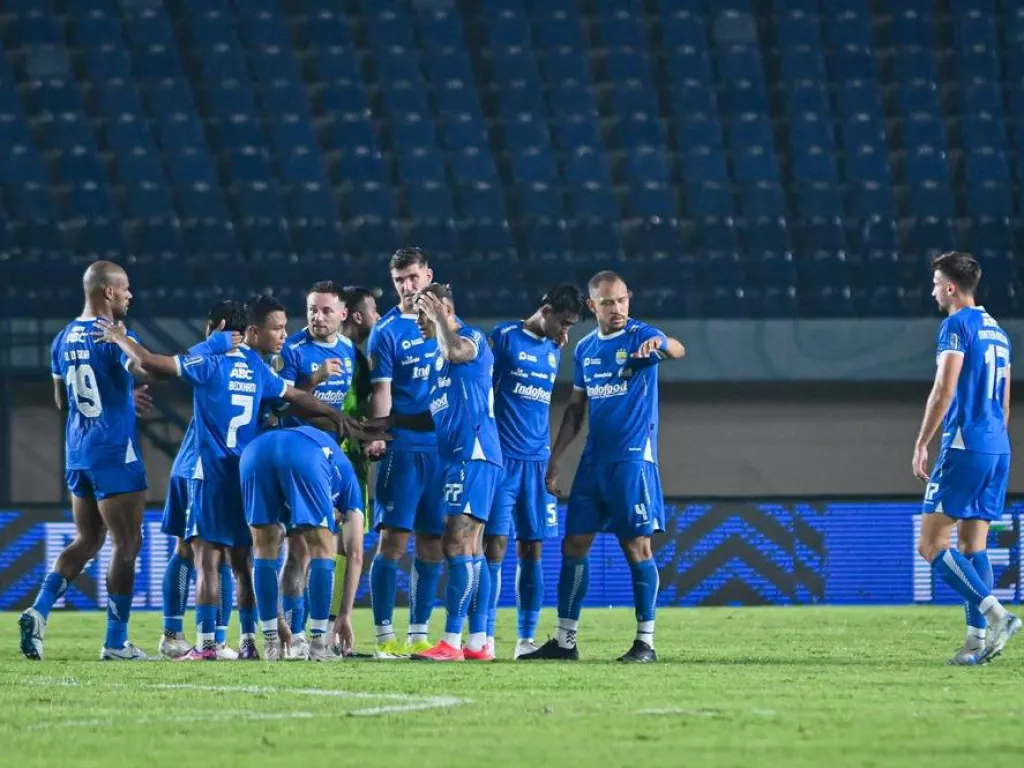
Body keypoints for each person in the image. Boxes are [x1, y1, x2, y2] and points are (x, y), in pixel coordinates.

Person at [92, 308, 381, 661]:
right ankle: (206, 637)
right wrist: (336, 414)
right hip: (223, 469)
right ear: (248, 332)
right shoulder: (242, 363)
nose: (282, 336)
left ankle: (218, 641)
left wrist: (124, 339)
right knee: (222, 557)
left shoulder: (222, 361)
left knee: (219, 557)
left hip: (227, 469)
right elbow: (290, 398)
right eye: (275, 329)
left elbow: (282, 400)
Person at [519, 271, 685, 663]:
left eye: (623, 300)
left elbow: (678, 349)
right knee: (574, 543)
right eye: (609, 303)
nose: (618, 309)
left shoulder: (641, 335)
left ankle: (646, 642)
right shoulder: (586, 349)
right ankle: (565, 641)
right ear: (593, 307)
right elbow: (576, 411)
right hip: (594, 462)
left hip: (632, 460)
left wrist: (659, 347)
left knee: (636, 546)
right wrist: (555, 459)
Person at [20, 261, 151, 661]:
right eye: (125, 288)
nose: (130, 295)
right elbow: (145, 367)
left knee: (89, 539)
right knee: (127, 543)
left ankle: (39, 611)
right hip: (114, 452)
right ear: (108, 292)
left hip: (78, 453)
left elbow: (64, 401)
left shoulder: (62, 338)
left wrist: (120, 398)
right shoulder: (114, 336)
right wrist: (129, 352)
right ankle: (115, 641)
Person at [373, 283, 503, 662]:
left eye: (423, 316)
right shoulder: (438, 361)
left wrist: (442, 320)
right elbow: (431, 415)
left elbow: (456, 349)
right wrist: (383, 422)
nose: (418, 325)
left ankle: (450, 640)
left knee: (454, 543)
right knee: (472, 548)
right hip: (459, 457)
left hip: (473, 453)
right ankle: (477, 641)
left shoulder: (469, 338)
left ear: (442, 310)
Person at [912, 252, 1021, 665]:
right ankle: (976, 643)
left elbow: (945, 389)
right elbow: (1006, 400)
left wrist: (923, 442)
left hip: (965, 445)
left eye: (937, 282)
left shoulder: (955, 326)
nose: (934, 289)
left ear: (952, 287)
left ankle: (997, 616)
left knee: (930, 544)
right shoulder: (998, 332)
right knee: (973, 544)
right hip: (997, 447)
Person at [485, 285, 584, 658]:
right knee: (493, 546)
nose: (565, 334)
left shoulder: (554, 352)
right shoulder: (504, 338)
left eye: (571, 326)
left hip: (536, 463)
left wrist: (551, 464)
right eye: (563, 323)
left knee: (533, 549)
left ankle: (525, 640)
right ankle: (485, 635)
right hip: (501, 461)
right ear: (545, 310)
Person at [158, 301, 256, 660]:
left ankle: (191, 636)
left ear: (215, 325)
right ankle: (192, 637)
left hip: (194, 466)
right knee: (211, 554)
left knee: (199, 553)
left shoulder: (221, 361)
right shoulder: (238, 363)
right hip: (202, 469)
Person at [365, 248, 446, 658]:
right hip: (405, 446)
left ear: (428, 275)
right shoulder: (386, 331)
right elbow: (382, 392)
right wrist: (377, 434)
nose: (408, 287)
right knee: (393, 542)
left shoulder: (450, 324)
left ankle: (418, 635)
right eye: (400, 281)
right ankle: (384, 637)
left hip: (442, 450)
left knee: (432, 544)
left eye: (413, 277)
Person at [276, 281, 357, 658]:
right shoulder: (292, 348)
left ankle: (306, 635)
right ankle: (295, 635)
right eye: (311, 309)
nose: (317, 316)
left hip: (327, 459)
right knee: (299, 550)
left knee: (314, 549)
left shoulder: (350, 351)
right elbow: (282, 405)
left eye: (325, 310)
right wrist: (314, 379)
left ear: (343, 314)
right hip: (295, 453)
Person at [242, 426, 365, 661]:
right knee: (322, 547)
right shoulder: (350, 485)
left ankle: (271, 643)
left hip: (256, 450)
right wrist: (344, 615)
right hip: (305, 453)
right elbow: (356, 554)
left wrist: (276, 619)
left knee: (263, 549)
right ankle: (319, 644)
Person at [330, 286, 379, 654]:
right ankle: (306, 630)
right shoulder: (304, 349)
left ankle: (336, 630)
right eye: (374, 310)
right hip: (322, 460)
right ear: (357, 316)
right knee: (314, 547)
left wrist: (373, 435)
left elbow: (364, 408)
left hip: (354, 463)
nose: (379, 317)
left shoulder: (360, 359)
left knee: (352, 549)